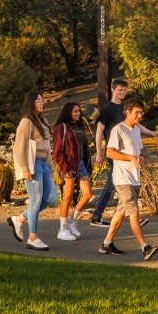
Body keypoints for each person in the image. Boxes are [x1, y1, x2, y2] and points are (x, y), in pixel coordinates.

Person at [89, 78, 157, 226]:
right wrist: (99, 153)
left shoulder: (125, 108)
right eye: (120, 90)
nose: (122, 92)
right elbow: (99, 131)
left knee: (117, 183)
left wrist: (151, 133)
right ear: (113, 90)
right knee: (114, 183)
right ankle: (126, 215)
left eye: (125, 90)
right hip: (115, 152)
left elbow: (136, 125)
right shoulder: (107, 109)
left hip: (127, 153)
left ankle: (104, 215)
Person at [99, 96, 158, 260]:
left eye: (141, 113)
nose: (140, 115)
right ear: (127, 112)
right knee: (134, 212)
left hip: (135, 178)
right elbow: (109, 152)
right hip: (122, 179)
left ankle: (106, 243)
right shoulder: (118, 129)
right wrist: (130, 158)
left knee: (121, 211)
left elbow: (140, 150)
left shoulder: (137, 130)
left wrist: (140, 157)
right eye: (137, 113)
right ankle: (145, 247)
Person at [8, 90, 56, 251]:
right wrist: (24, 168)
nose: (42, 102)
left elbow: (47, 147)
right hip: (33, 164)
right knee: (35, 200)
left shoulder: (41, 121)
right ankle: (33, 238)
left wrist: (50, 165)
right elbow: (18, 147)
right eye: (38, 100)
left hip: (44, 164)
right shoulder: (26, 122)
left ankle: (19, 219)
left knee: (48, 199)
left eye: (42, 100)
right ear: (31, 103)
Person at [52, 100, 93, 242]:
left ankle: (71, 221)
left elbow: (85, 148)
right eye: (75, 111)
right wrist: (65, 168)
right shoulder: (61, 128)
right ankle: (62, 229)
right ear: (68, 112)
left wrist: (89, 166)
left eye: (79, 111)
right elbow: (57, 152)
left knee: (87, 194)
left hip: (81, 164)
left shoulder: (79, 127)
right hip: (69, 166)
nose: (78, 113)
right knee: (67, 197)